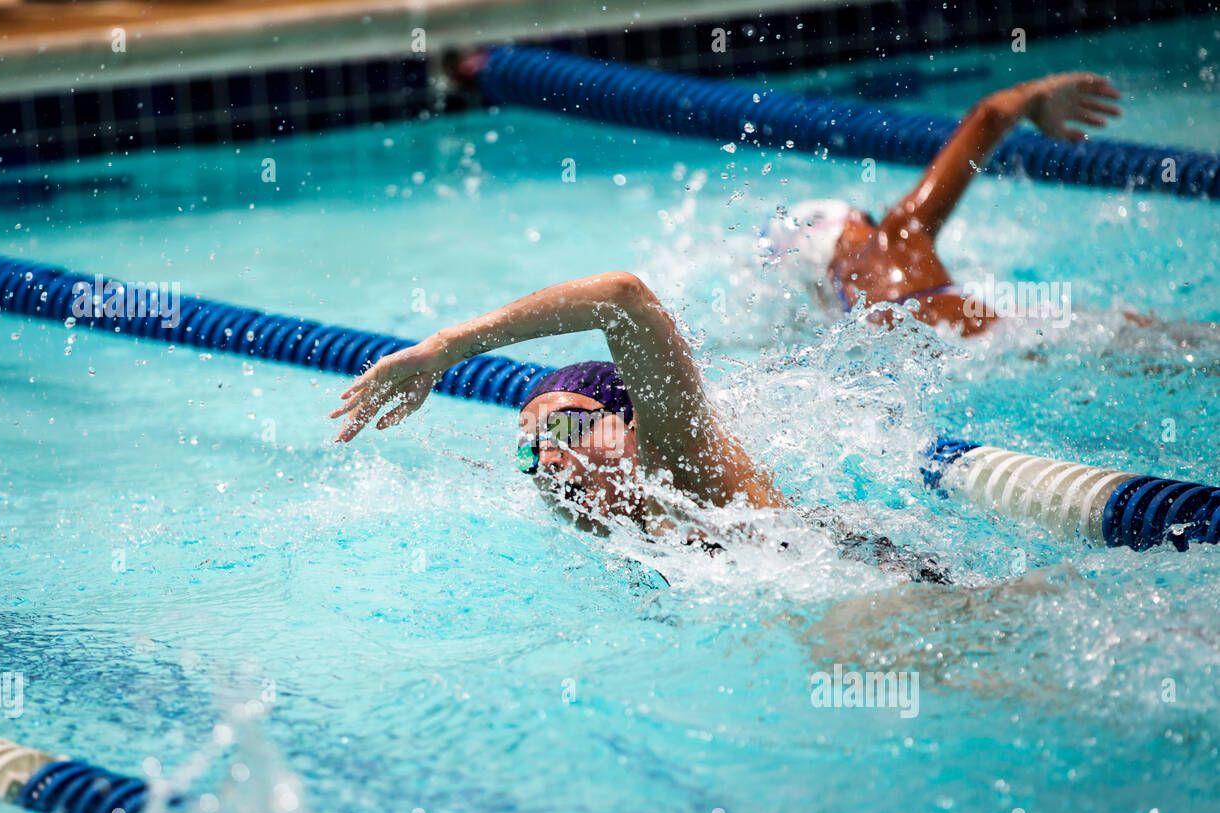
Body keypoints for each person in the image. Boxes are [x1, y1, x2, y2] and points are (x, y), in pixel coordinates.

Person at [327, 74, 1125, 578]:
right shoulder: (618, 514)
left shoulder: (675, 460)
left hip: (870, 582)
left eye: (565, 435)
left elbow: (622, 295)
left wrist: (442, 348)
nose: (550, 465)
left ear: (628, 424)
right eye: (534, 448)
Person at [763, 72, 1123, 335]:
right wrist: (1032, 95)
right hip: (1039, 342)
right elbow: (990, 116)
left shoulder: (852, 312)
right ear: (853, 219)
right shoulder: (896, 236)